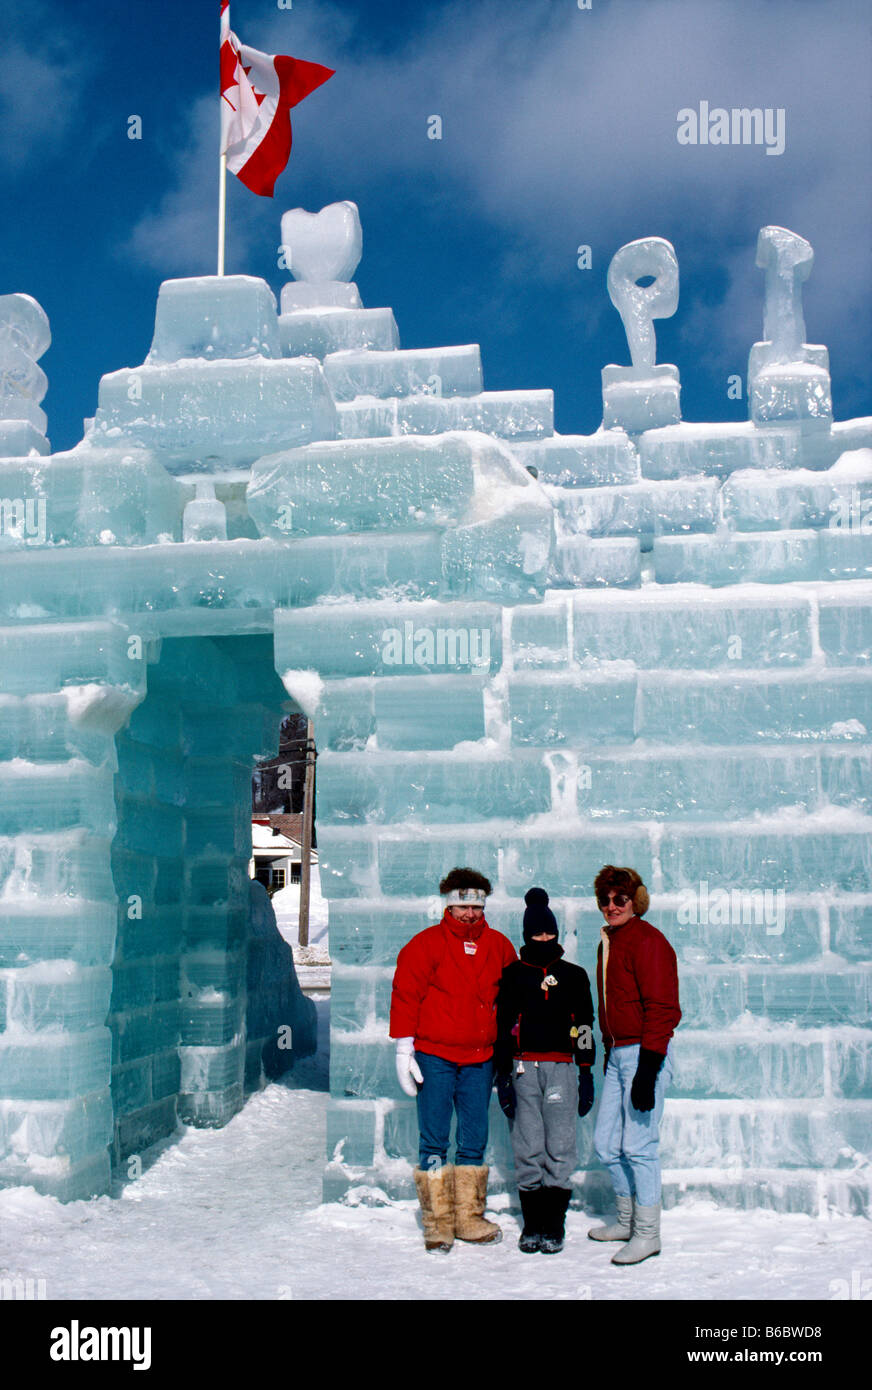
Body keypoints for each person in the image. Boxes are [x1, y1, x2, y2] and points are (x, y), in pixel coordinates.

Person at [389, 866, 517, 1253]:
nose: (469, 914)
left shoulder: (499, 946)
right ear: (448, 904)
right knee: (433, 1140)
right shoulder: (425, 945)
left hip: (480, 1060)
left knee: (473, 1140)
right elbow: (406, 993)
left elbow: (512, 1001)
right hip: (435, 1058)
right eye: (462, 906)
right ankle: (438, 1221)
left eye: (476, 907)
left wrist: (511, 1051)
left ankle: (468, 1217)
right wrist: (404, 1047)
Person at [588, 865, 681, 1265]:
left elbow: (663, 1008)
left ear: (635, 901)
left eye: (620, 899)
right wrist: (611, 1054)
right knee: (607, 1144)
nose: (612, 906)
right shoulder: (609, 941)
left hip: (645, 1054)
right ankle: (626, 1221)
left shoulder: (648, 941)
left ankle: (648, 1234)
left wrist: (648, 1069)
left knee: (639, 1147)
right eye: (606, 900)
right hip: (617, 1054)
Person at [495, 887, 595, 1255]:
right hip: (523, 1068)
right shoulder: (514, 975)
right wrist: (503, 1075)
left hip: (563, 1068)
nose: (545, 939)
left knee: (561, 1145)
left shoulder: (574, 975)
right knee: (528, 1143)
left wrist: (586, 1073)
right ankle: (532, 1224)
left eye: (550, 933)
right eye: (537, 934)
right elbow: (503, 1027)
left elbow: (584, 1024)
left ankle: (554, 1222)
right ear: (526, 935)